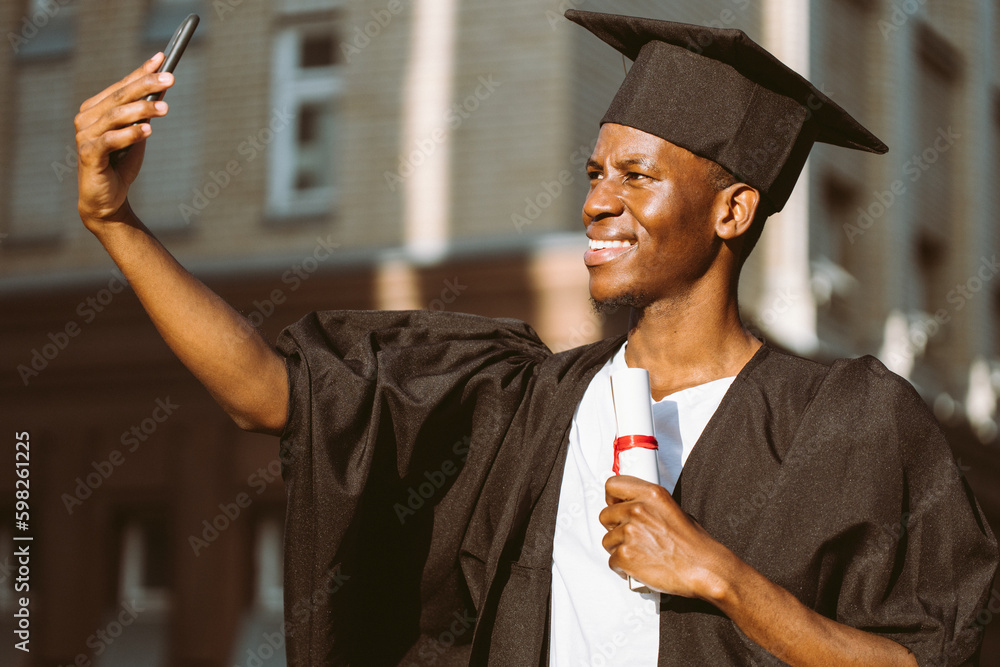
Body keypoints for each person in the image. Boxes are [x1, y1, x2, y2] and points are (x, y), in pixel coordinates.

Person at [75, 8, 996, 667]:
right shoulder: (526, 402)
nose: (598, 199)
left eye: (636, 175)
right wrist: (116, 220)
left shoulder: (852, 423)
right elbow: (270, 392)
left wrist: (720, 577)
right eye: (594, 171)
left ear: (734, 208)